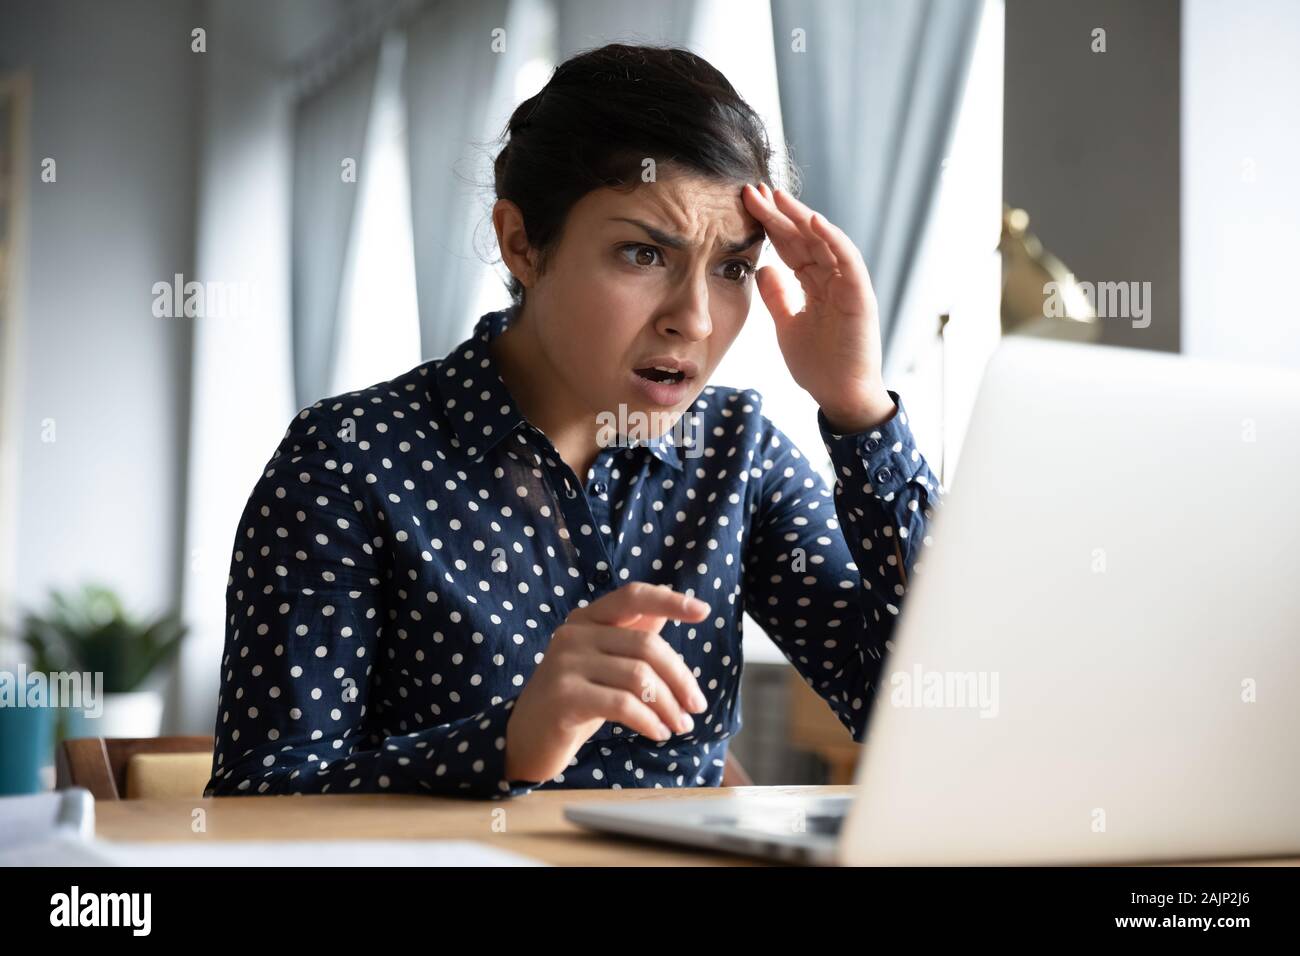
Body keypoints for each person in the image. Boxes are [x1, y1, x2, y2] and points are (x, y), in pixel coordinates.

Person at [205, 43, 943, 799]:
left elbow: (917, 710)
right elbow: (256, 798)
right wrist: (508, 745)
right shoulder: (349, 461)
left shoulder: (736, 453)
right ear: (522, 243)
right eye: (642, 253)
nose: (693, 320)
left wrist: (859, 408)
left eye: (731, 269)